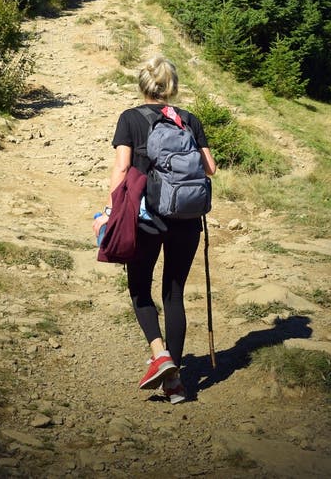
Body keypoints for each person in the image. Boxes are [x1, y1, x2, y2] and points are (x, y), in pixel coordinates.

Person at [92, 54, 216, 405]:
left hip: (146, 219)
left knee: (139, 287)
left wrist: (110, 214)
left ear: (143, 85)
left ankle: (159, 354)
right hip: (187, 219)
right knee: (173, 294)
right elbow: (210, 168)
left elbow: (121, 169)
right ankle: (174, 382)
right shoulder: (188, 120)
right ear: (171, 87)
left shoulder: (130, 118)